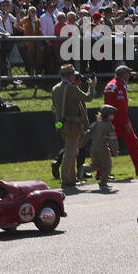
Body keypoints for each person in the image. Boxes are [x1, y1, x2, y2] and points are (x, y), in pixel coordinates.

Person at [102, 65, 138, 177]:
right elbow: (121, 107)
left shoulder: (110, 83)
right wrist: (125, 123)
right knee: (133, 144)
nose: (130, 75)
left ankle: (100, 173)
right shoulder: (119, 86)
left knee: (106, 147)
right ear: (123, 74)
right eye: (128, 73)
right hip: (119, 121)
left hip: (109, 120)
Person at [51, 64, 96, 192]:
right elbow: (89, 98)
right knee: (70, 154)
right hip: (72, 126)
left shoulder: (55, 88)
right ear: (70, 76)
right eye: (73, 75)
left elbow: (54, 107)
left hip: (61, 124)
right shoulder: (71, 88)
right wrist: (92, 86)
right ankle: (66, 180)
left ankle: (71, 179)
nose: (74, 77)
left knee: (70, 151)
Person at [88, 105, 118, 192]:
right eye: (112, 114)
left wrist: (81, 143)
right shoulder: (109, 126)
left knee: (95, 165)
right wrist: (115, 151)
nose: (114, 116)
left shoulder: (96, 123)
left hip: (93, 148)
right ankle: (103, 182)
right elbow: (113, 140)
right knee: (107, 165)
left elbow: (87, 133)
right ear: (108, 115)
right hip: (103, 148)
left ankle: (83, 169)